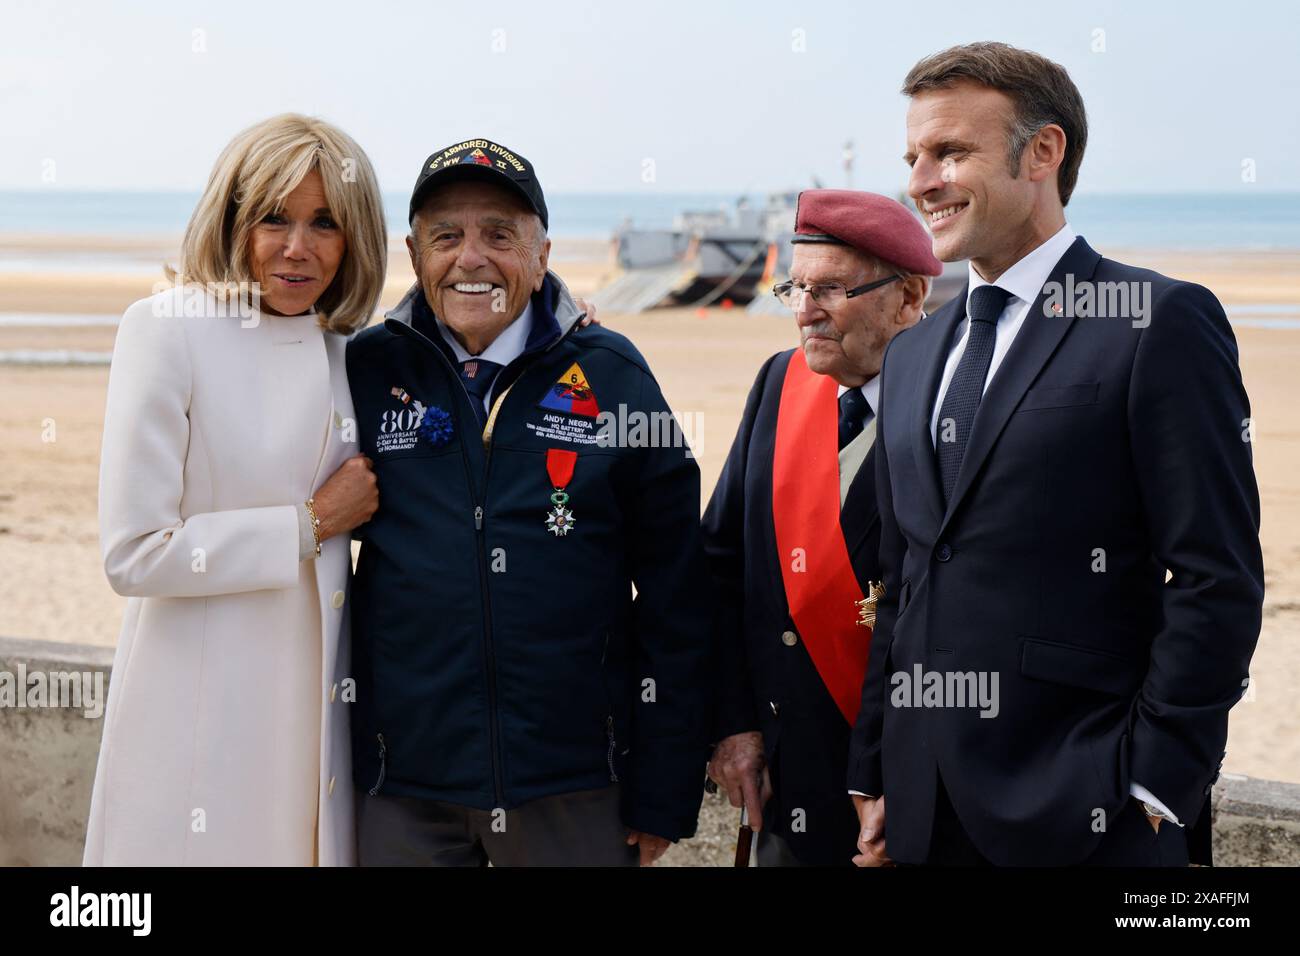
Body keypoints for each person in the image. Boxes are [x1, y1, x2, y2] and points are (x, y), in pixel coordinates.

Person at [848, 42, 1264, 867]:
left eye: (951, 152)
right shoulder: (913, 352)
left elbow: (1218, 576)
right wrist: (877, 765)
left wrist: (1152, 786)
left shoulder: (1157, 320)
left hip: (1092, 809)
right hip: (923, 812)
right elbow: (901, 581)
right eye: (914, 157)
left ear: (1043, 152)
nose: (921, 180)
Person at [346, 138, 712, 866]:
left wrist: (666, 786)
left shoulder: (612, 375)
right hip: (403, 788)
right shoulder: (365, 367)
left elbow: (679, 594)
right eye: (446, 236)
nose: (471, 258)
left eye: (500, 235)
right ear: (415, 256)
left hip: (573, 788)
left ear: (542, 254)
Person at [85, 114, 387, 865]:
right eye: (275, 218)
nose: (298, 247)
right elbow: (134, 554)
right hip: (197, 727)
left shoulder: (353, 351)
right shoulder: (165, 330)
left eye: (326, 223)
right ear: (233, 220)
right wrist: (308, 524)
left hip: (318, 736)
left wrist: (557, 316)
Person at [703, 190, 938, 866]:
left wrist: (914, 774)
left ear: (908, 296)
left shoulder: (959, 407)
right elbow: (718, 567)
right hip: (788, 780)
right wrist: (733, 727)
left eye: (831, 289)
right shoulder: (780, 382)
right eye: (795, 287)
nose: (804, 310)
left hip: (906, 789)